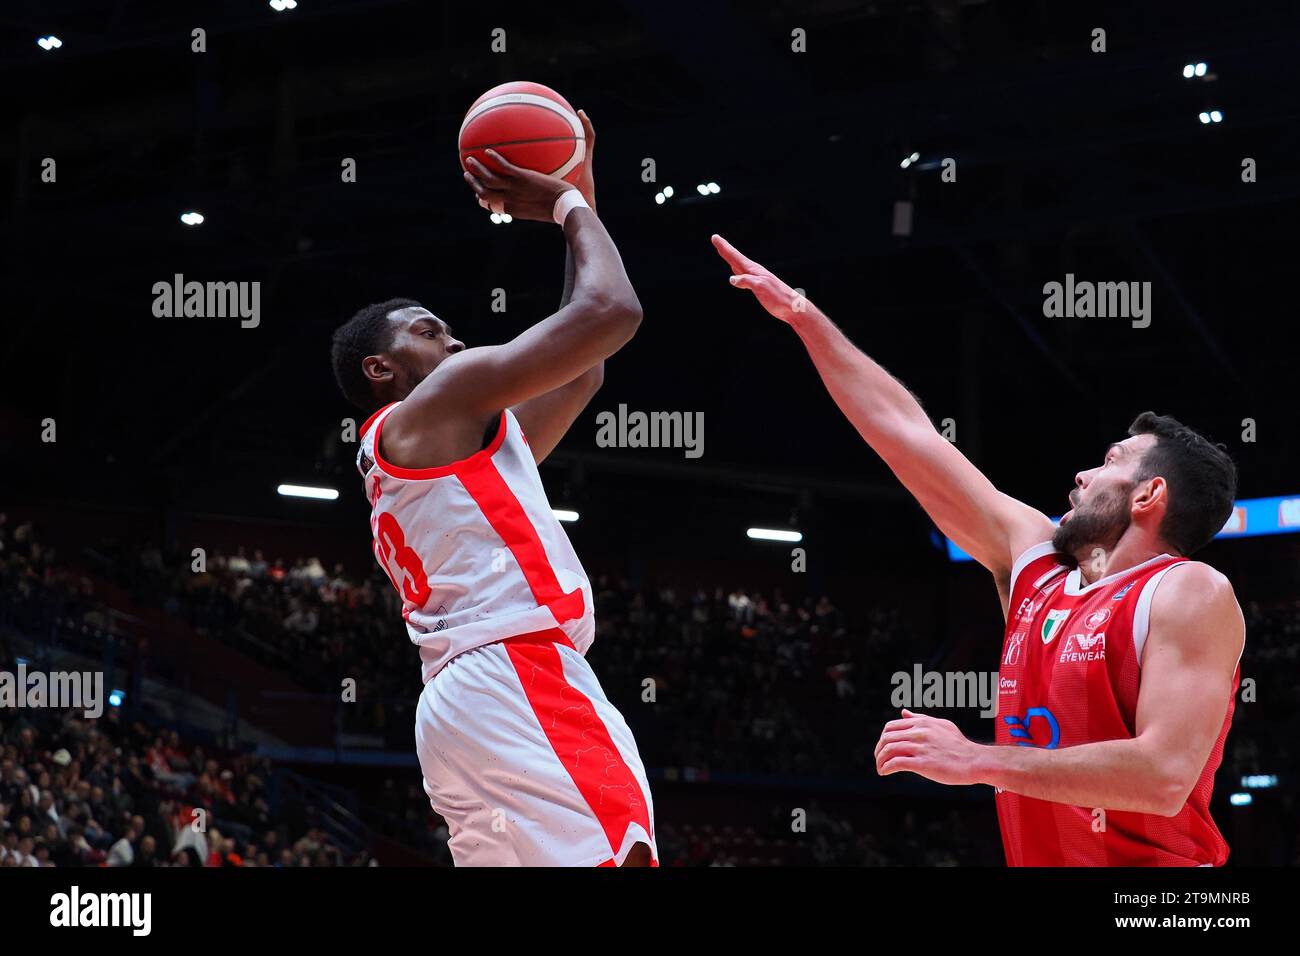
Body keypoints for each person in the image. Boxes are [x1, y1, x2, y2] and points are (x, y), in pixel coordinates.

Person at [715, 234, 1244, 866]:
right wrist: (805, 318)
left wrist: (974, 759)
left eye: (1109, 463)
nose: (1081, 475)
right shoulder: (1037, 565)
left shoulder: (1189, 590)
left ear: (1149, 494)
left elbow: (1161, 778)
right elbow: (908, 433)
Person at [330, 112, 654, 867]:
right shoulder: (437, 405)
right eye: (428, 331)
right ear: (382, 369)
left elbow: (587, 363)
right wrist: (566, 209)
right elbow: (615, 312)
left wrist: (580, 186)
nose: (455, 343)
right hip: (515, 671)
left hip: (462, 701)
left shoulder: (448, 449)